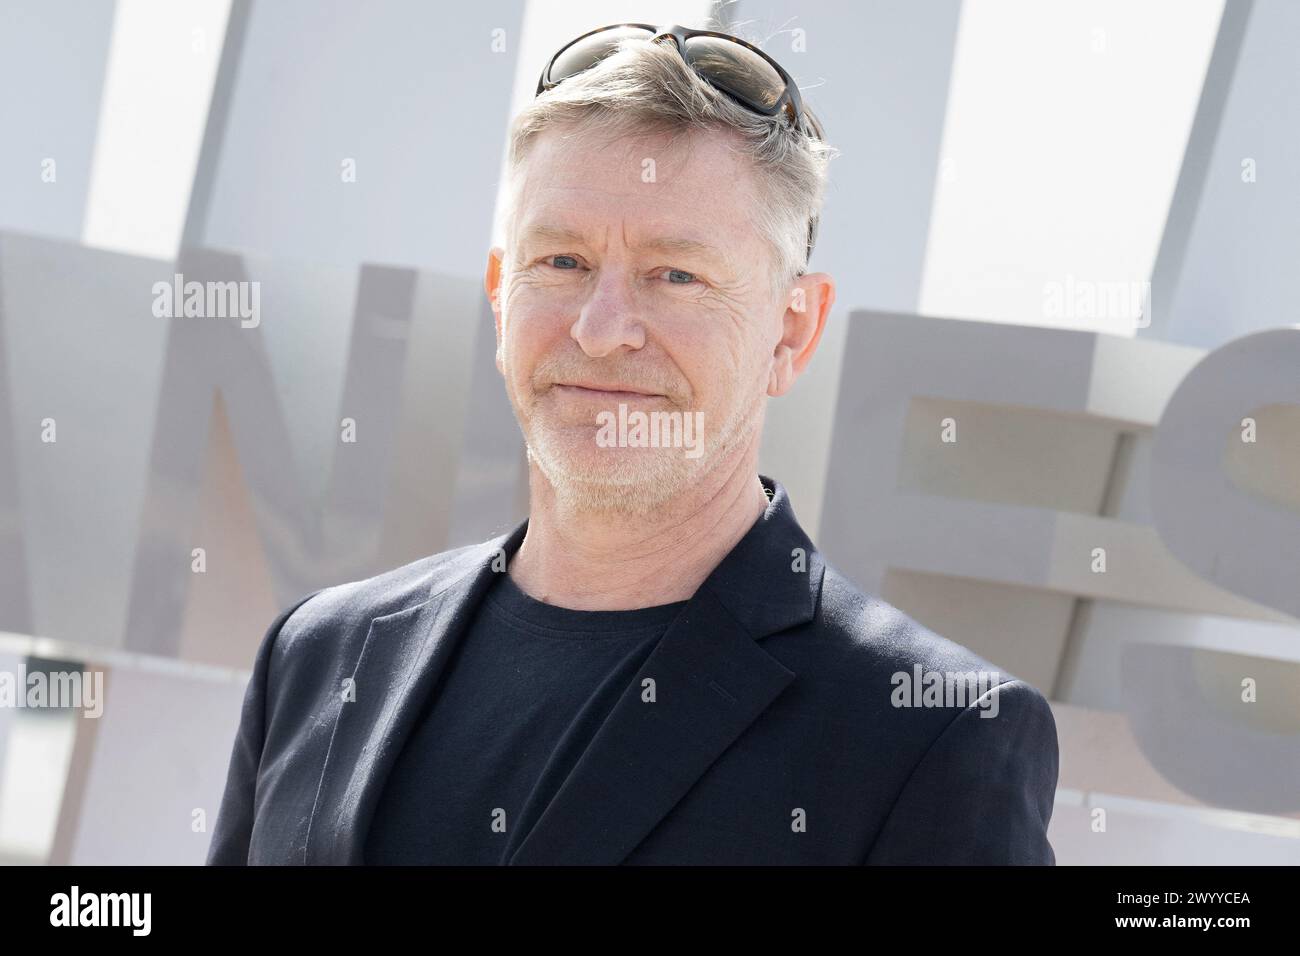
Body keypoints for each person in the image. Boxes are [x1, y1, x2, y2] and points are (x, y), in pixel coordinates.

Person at [208, 23, 1058, 865]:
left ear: (791, 332)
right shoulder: (319, 655)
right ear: (501, 294)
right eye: (563, 262)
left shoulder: (930, 737)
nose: (602, 328)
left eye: (675, 274)